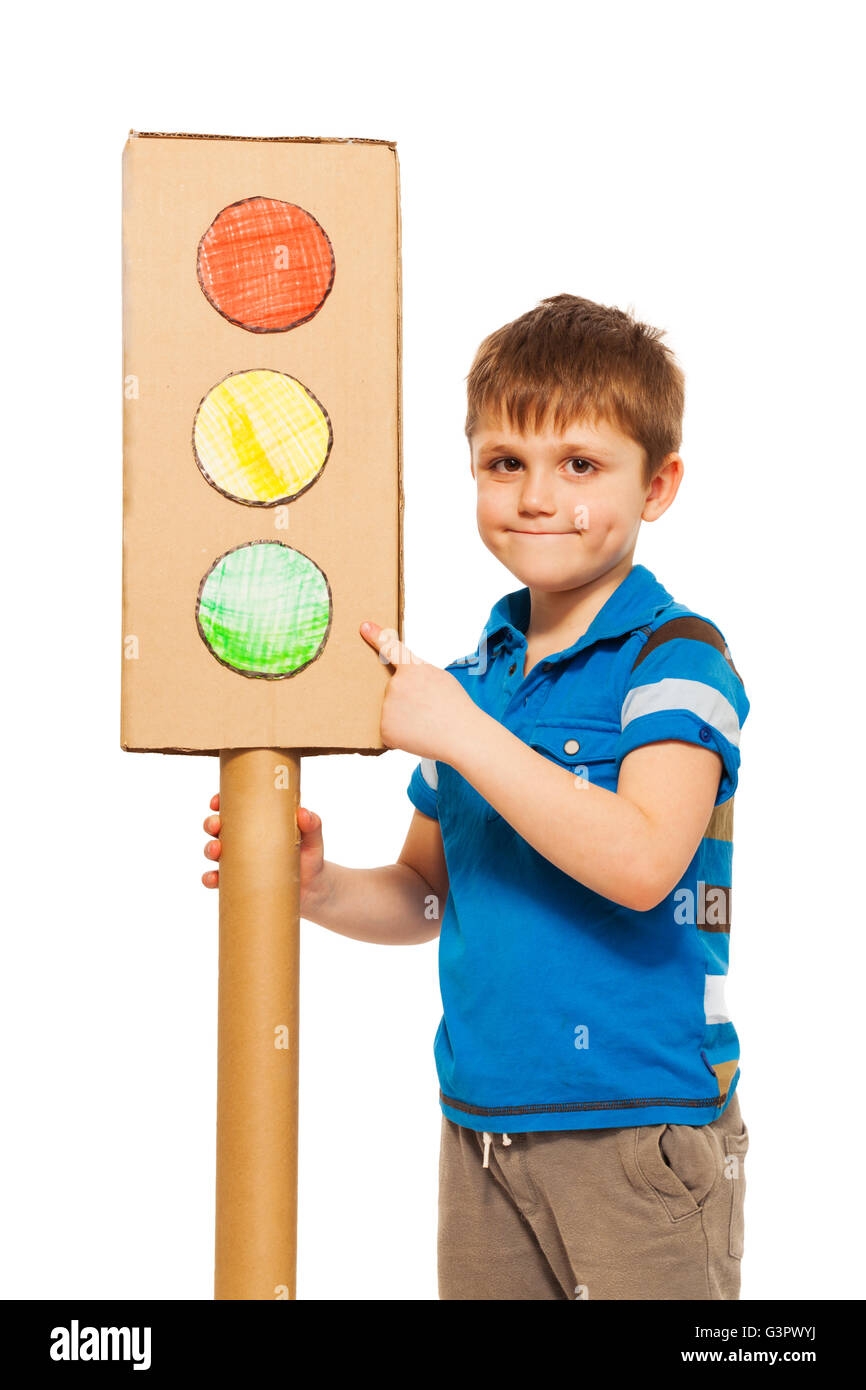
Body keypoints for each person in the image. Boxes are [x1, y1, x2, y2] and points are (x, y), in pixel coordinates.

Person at [201, 293, 750, 1300]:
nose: (535, 496)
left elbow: (639, 862)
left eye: (579, 465)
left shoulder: (676, 660)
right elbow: (424, 892)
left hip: (639, 1138)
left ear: (656, 484)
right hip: (483, 1133)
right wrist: (316, 886)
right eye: (505, 463)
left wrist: (458, 730)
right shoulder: (473, 679)